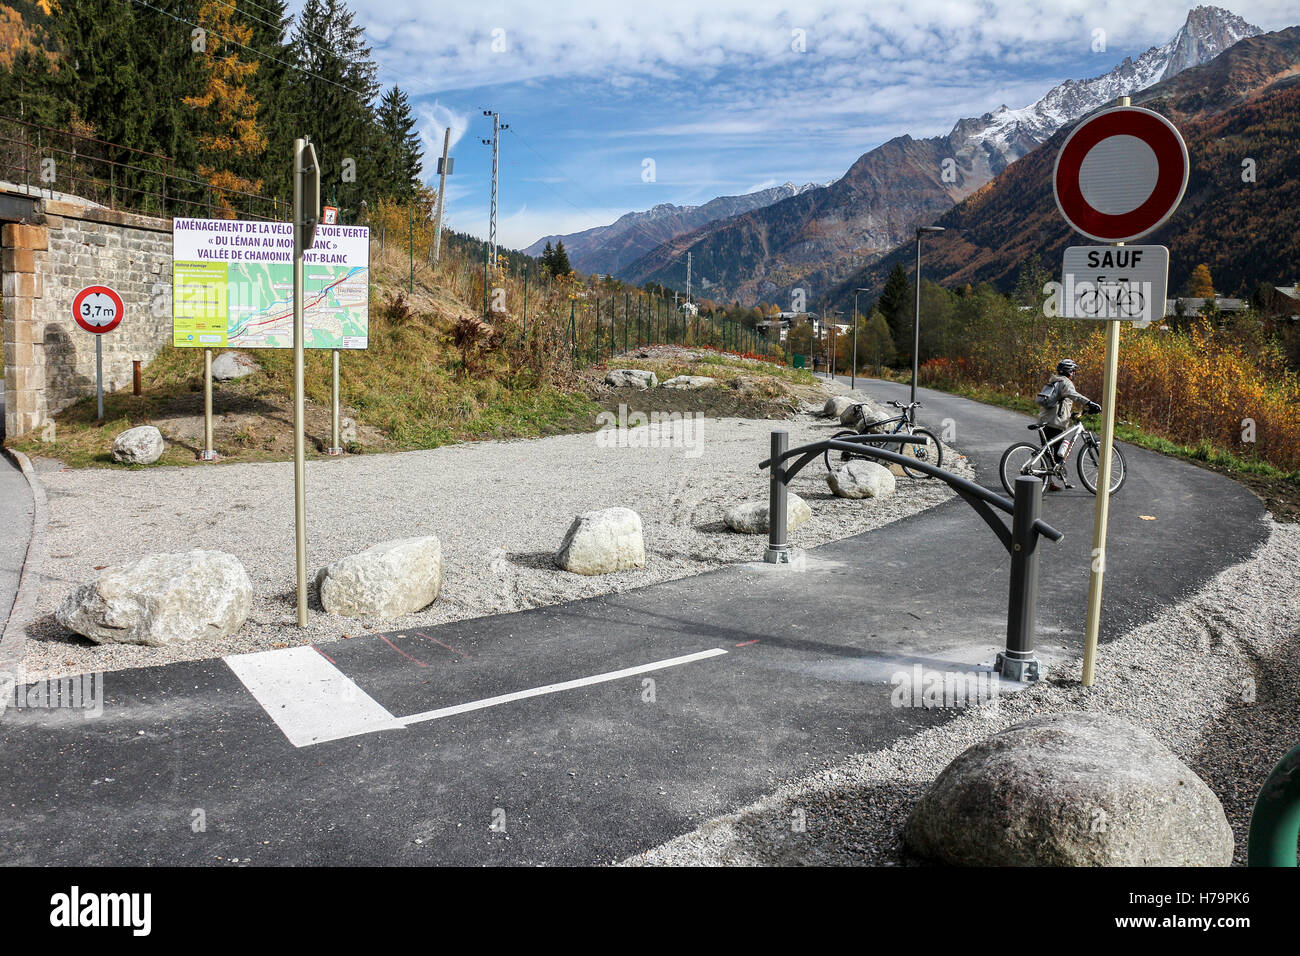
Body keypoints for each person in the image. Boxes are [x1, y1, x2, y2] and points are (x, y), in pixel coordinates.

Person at [1036, 359, 1100, 491]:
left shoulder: (1053, 381)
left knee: (1048, 454)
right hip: (1055, 423)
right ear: (1070, 372)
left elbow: (1058, 403)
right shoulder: (1066, 382)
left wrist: (1069, 414)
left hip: (1045, 420)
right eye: (1074, 372)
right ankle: (1048, 478)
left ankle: (1046, 483)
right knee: (1059, 453)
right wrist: (1089, 403)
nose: (1074, 374)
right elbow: (1073, 394)